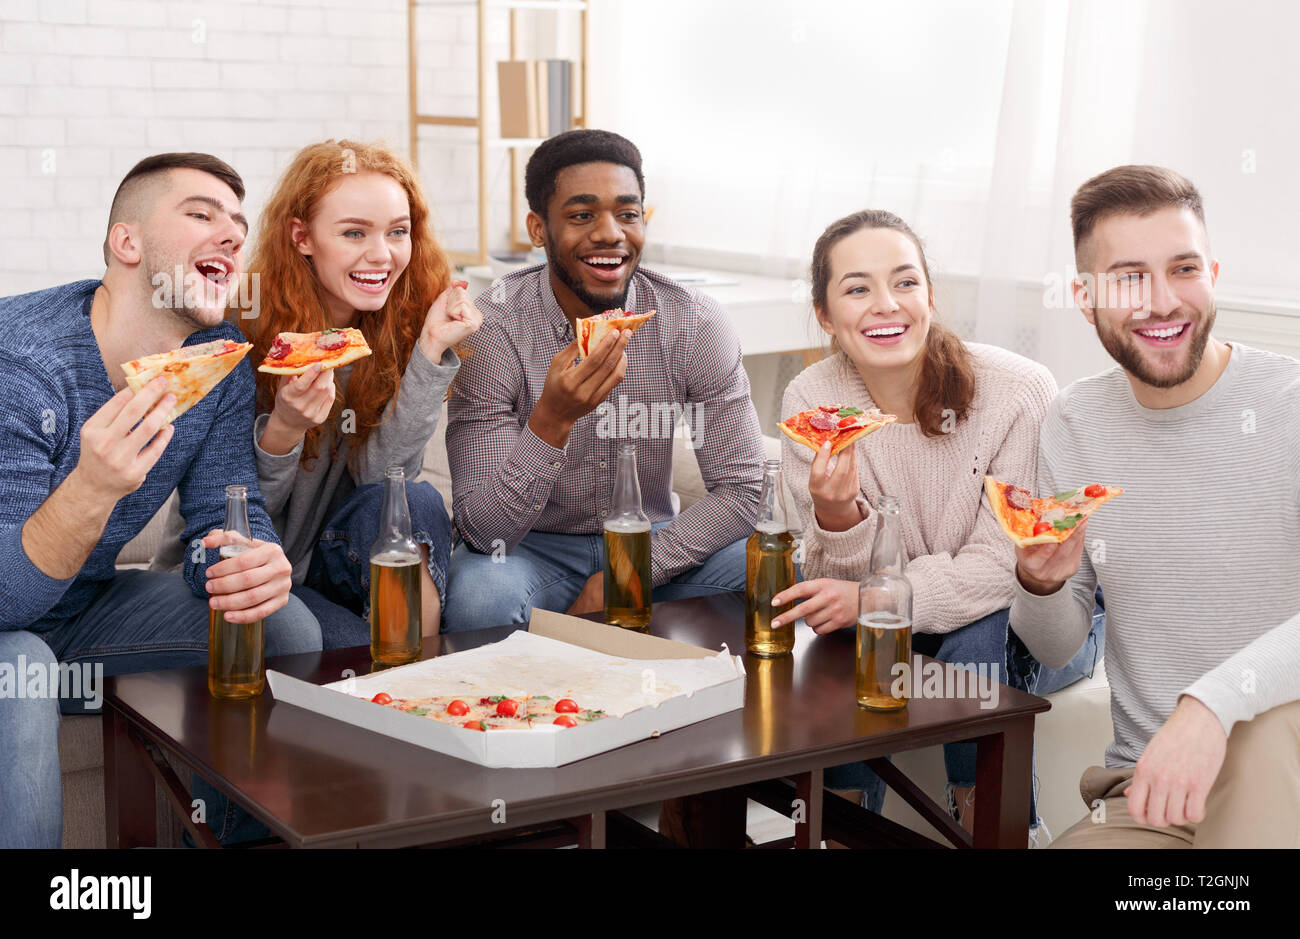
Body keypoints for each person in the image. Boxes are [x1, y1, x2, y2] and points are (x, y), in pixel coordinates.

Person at [0, 153, 321, 848]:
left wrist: (244, 558)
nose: (232, 234)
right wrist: (90, 487)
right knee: (20, 662)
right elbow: (6, 602)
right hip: (6, 619)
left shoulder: (218, 357)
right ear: (127, 243)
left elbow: (224, 507)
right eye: (201, 214)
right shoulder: (20, 358)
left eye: (237, 224)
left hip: (85, 613)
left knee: (287, 627)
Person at [775, 209, 1104, 833]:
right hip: (913, 617)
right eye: (857, 288)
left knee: (974, 636)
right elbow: (825, 579)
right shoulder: (811, 399)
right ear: (824, 315)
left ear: (930, 294)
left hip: (1042, 618)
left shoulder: (1017, 390)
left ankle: (997, 829)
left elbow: (1007, 569)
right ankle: (843, 831)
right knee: (849, 638)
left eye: (904, 282)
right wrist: (836, 514)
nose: (885, 306)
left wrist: (878, 594)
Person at [1013, 165, 1300, 848]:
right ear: (1084, 298)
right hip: (1152, 799)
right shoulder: (1074, 422)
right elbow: (1053, 643)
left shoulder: (1289, 406)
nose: (1164, 301)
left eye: (1184, 268)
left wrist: (1211, 704)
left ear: (1212, 274)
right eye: (1130, 277)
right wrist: (1042, 581)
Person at [152, 140, 479, 645]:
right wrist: (284, 427)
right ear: (302, 236)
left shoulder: (401, 327)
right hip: (244, 569)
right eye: (354, 233)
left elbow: (382, 483)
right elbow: (231, 507)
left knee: (413, 497)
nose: (382, 255)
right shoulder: (235, 332)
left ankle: (423, 685)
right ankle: (411, 676)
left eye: (398, 232)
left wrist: (430, 350)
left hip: (330, 568)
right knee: (354, 651)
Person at [441, 129, 765, 631]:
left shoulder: (692, 321)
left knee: (769, 569)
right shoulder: (495, 329)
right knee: (481, 595)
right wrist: (551, 421)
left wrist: (628, 571)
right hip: (532, 552)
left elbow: (743, 489)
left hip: (652, 540)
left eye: (628, 214)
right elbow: (484, 530)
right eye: (581, 215)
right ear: (538, 228)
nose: (611, 234)